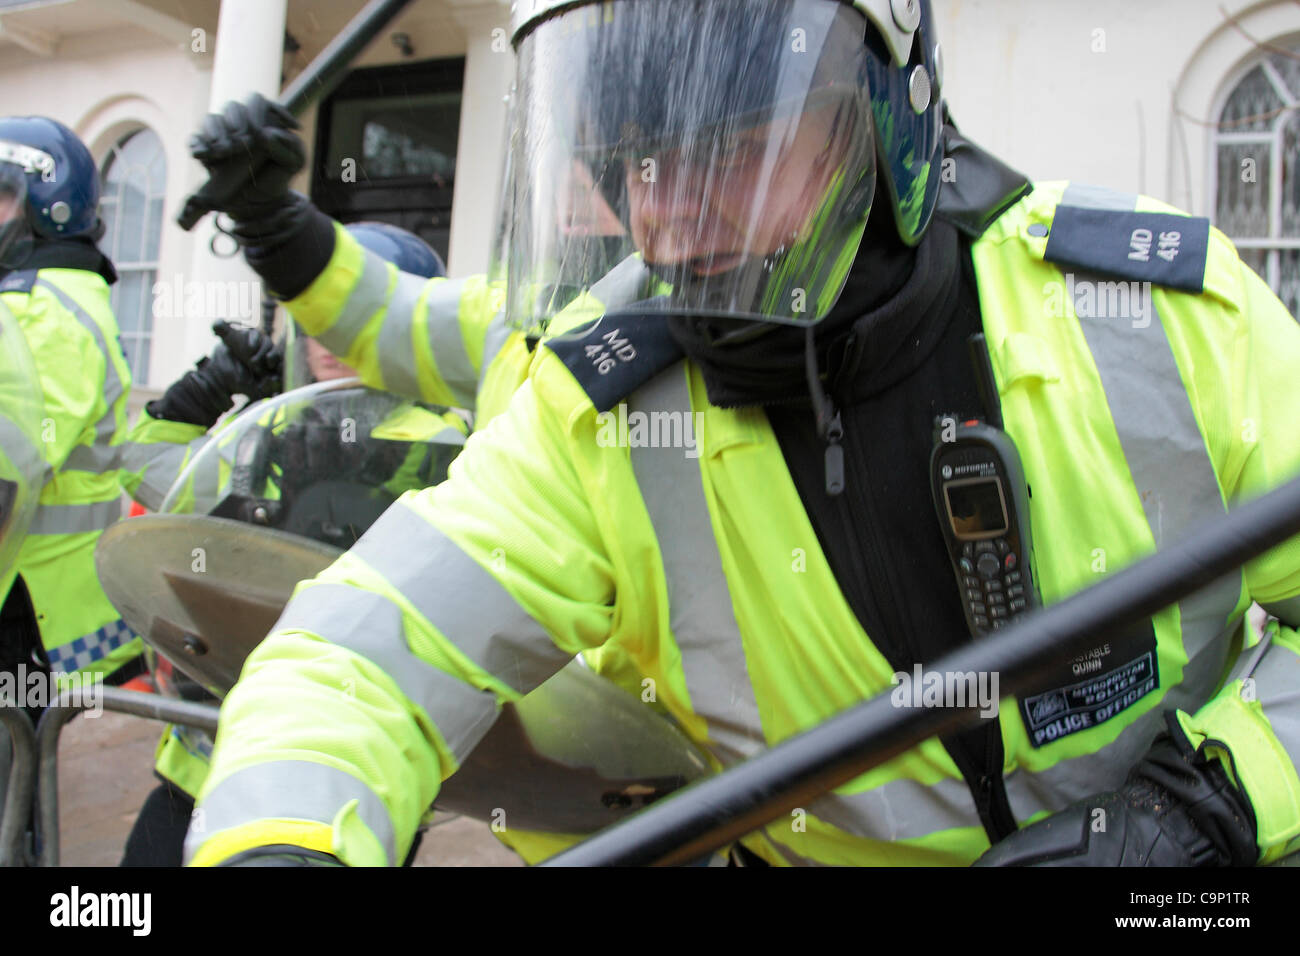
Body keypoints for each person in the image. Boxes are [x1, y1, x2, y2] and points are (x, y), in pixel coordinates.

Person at [183, 0, 1300, 868]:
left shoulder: (1158, 313)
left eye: (728, 147)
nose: (661, 217)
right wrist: (282, 838)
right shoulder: (601, 410)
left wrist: (1200, 807)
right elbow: (368, 647)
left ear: (884, 103)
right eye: (624, 164)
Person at [119, 222, 466, 866]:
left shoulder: (442, 440)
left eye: (353, 320)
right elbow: (158, 486)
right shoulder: (272, 427)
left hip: (347, 768)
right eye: (317, 322)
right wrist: (202, 395)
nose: (331, 341)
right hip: (209, 741)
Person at [0, 116, 146, 689]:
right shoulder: (43, 299)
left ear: (47, 205)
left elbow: (8, 470)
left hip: (37, 618)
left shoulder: (40, 311)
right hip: (54, 609)